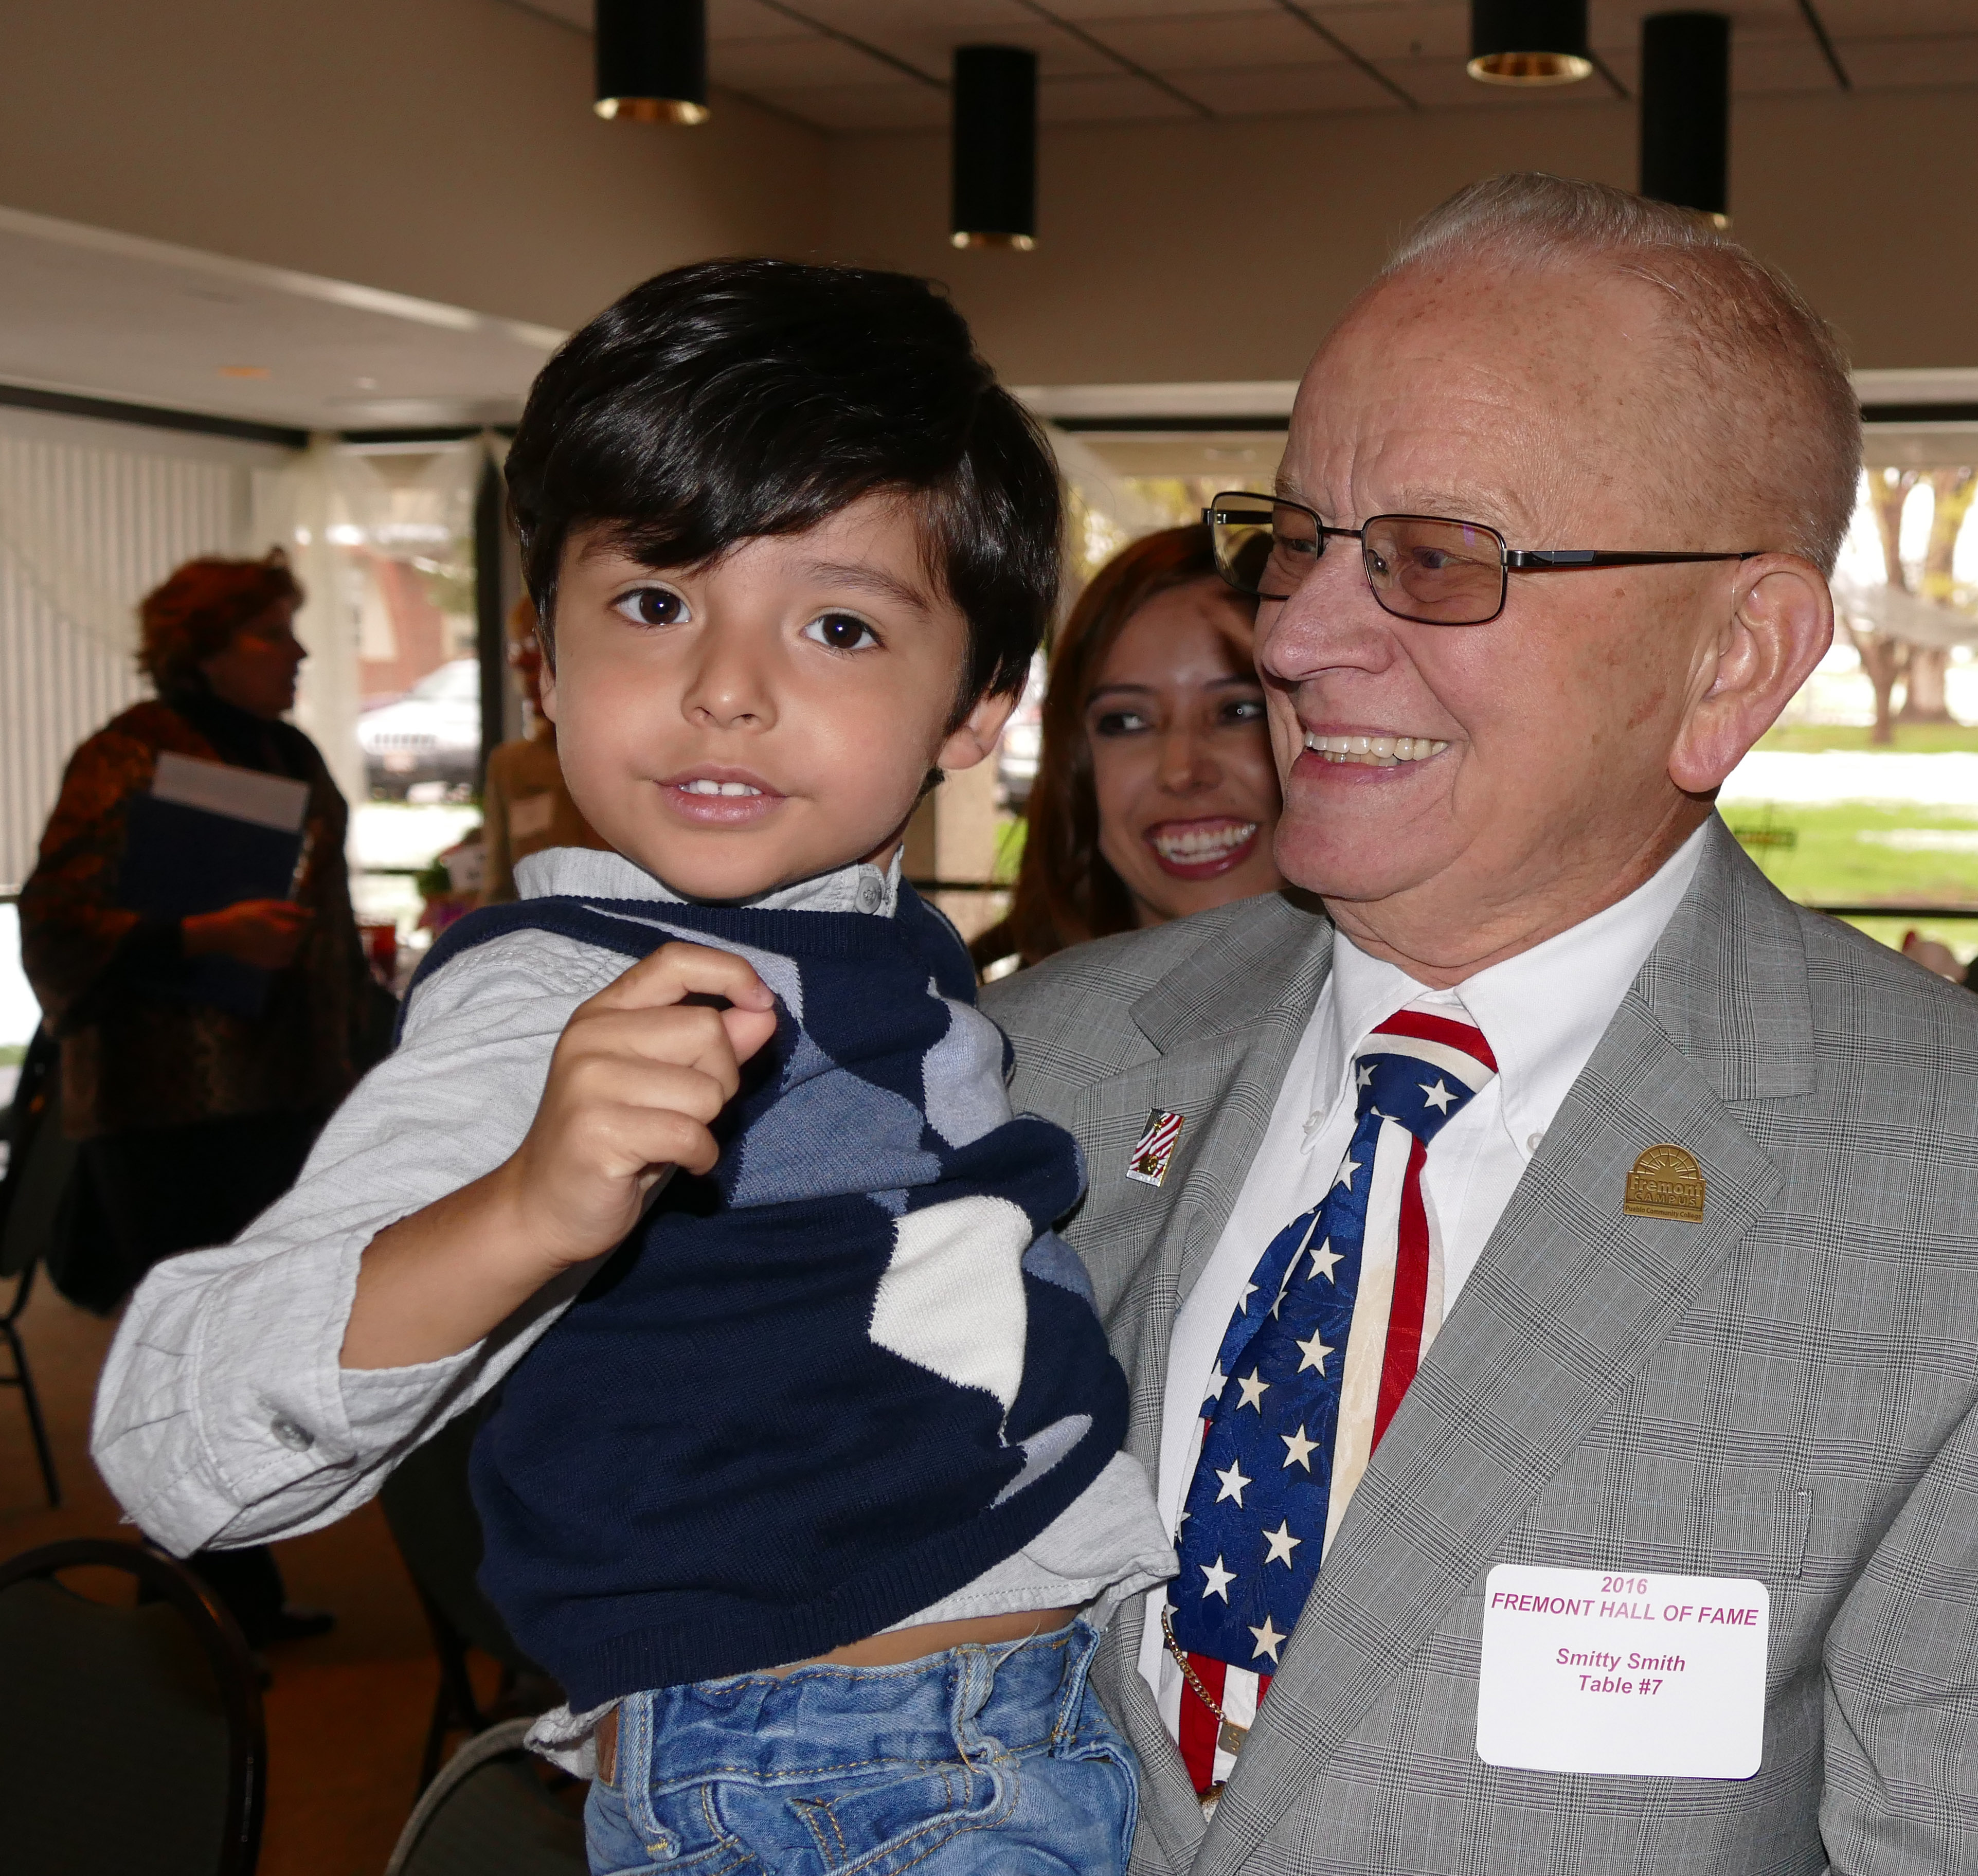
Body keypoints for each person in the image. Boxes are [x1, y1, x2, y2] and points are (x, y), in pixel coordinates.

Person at [983, 176, 1978, 1874]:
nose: (1296, 633)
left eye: (1432, 558)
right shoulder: (1040, 1063)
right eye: (1290, 534)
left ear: (1732, 655)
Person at [93, 259, 1172, 1876]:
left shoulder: (877, 944)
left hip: (1022, 1722)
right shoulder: (560, 998)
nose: (725, 688)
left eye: (836, 624)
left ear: (974, 710)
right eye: (654, 603)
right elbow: (174, 1444)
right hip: (836, 1779)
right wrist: (529, 1202)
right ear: (539, 662)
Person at [21, 550, 375, 1644]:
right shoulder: (129, 751)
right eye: (274, 631)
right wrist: (194, 936)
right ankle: (193, 1604)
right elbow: (53, 919)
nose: (300, 650)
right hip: (162, 1108)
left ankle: (234, 1591)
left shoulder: (287, 746)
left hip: (280, 1097)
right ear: (206, 646)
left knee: (249, 1348)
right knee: (183, 1356)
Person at [979, 525, 1284, 969]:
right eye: (1126, 721)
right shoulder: (984, 1032)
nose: (1181, 772)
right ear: (1076, 765)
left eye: (1238, 711)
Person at [478, 593, 607, 904]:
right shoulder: (511, 766)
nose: (519, 661)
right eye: (518, 647)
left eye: (535, 645)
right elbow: (499, 893)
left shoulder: (639, 757)